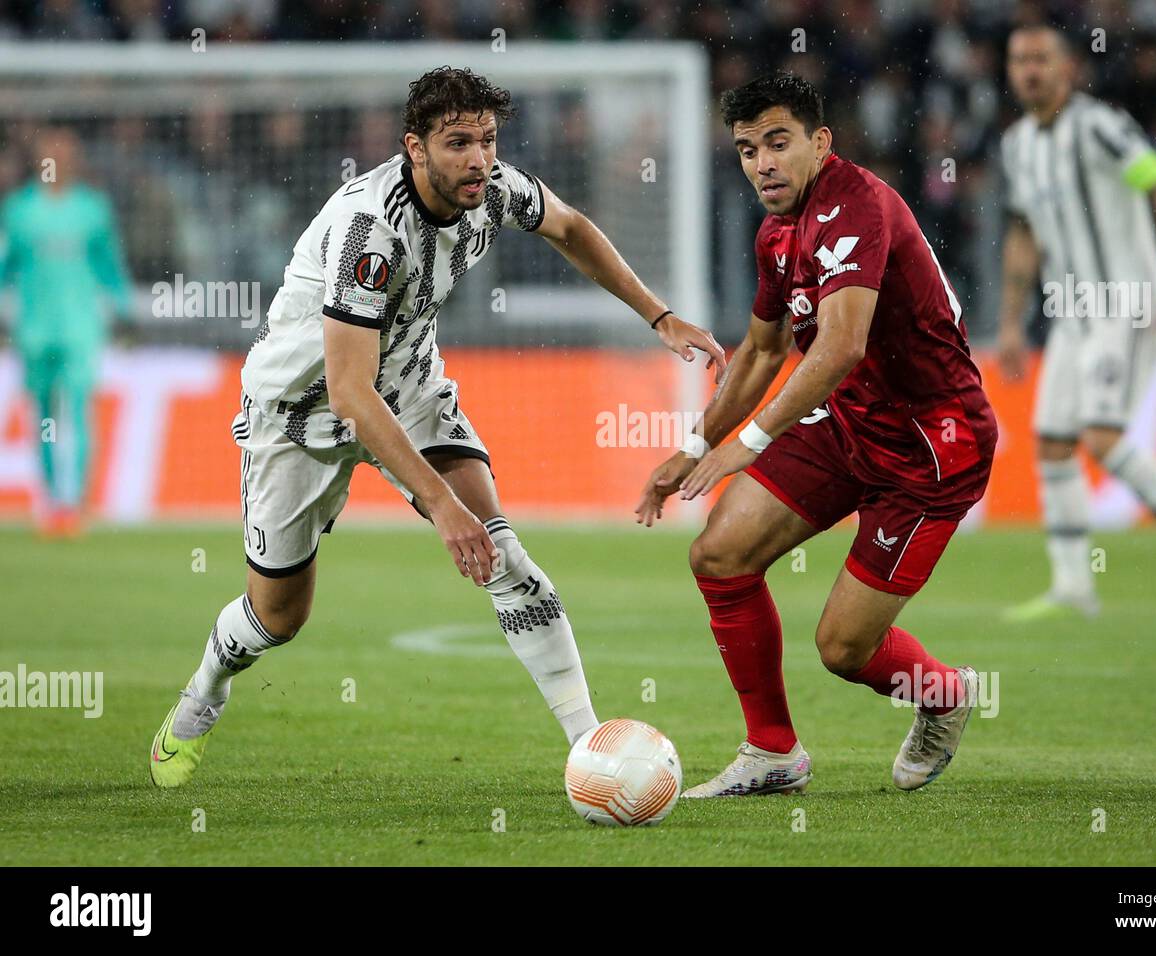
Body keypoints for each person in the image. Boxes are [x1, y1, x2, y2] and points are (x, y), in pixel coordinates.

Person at [149, 67, 725, 787]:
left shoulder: (495, 190)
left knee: (508, 561)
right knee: (277, 618)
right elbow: (351, 394)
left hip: (410, 388)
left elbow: (571, 227)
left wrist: (659, 316)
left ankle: (591, 753)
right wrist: (443, 506)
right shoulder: (372, 230)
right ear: (414, 149)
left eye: (487, 140)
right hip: (301, 412)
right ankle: (206, 688)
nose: (479, 158)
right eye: (458, 143)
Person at [637, 72, 995, 797]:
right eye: (745, 150)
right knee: (720, 554)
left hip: (931, 450)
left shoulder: (858, 204)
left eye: (777, 143)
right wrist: (697, 446)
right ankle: (772, 753)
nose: (761, 163)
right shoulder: (775, 232)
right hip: (849, 420)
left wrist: (753, 439)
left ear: (819, 142)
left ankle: (944, 694)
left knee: (842, 648)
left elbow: (839, 347)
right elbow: (765, 352)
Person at [995, 24, 1156, 622]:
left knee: (1100, 437)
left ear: (1067, 68)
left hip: (1127, 302)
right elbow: (1024, 233)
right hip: (1071, 313)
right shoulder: (1018, 145)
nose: (1029, 69)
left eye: (1041, 59)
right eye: (1019, 59)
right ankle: (1074, 584)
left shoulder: (1100, 127)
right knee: (1053, 441)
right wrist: (1008, 323)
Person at [0, 126, 131, 536]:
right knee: (43, 417)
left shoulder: (92, 209)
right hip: (34, 331)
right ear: (39, 158)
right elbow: (6, 267)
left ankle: (79, 505)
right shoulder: (18, 210)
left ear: (73, 158)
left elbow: (108, 265)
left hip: (80, 328)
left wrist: (125, 309)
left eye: (64, 150)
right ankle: (52, 502)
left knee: (78, 411)